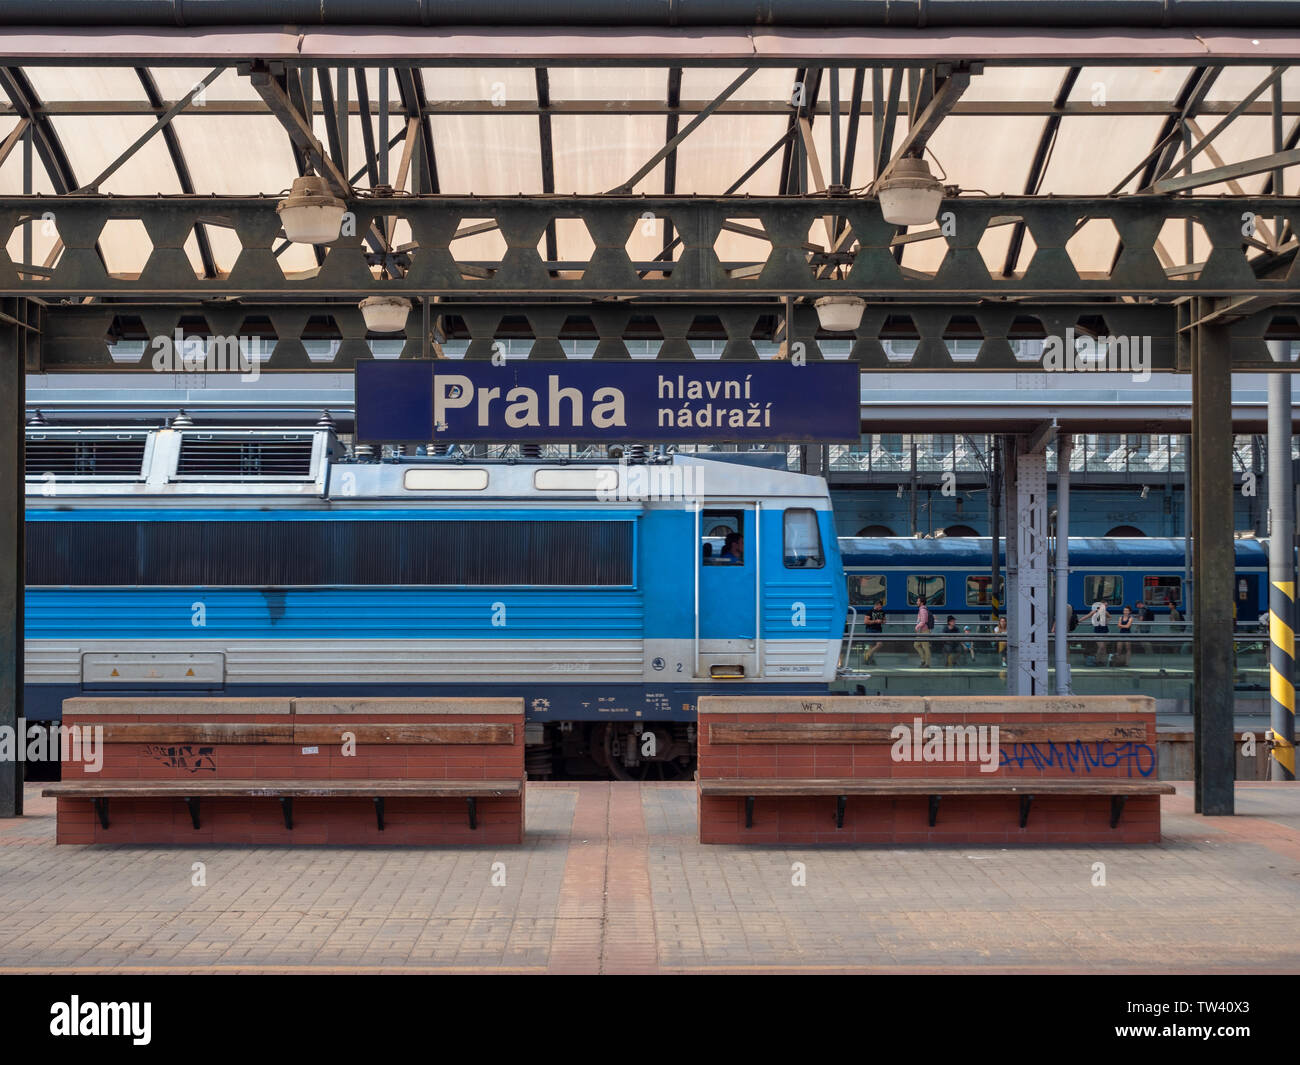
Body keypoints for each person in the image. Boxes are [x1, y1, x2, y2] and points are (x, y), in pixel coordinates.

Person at [1082, 598, 1110, 664]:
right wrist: (1079, 621)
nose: (1105, 607)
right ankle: (1097, 660)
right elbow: (1087, 616)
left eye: (1106, 606)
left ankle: (1102, 661)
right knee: (1101, 647)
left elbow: (1109, 617)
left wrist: (1107, 621)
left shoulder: (1105, 612)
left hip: (1105, 631)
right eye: (1104, 605)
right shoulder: (1095, 611)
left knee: (1104, 648)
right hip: (1097, 632)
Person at [862, 599, 886, 665]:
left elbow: (884, 620)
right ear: (876, 605)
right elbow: (866, 621)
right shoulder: (870, 611)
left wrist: (882, 621)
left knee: (879, 644)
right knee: (871, 646)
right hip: (870, 629)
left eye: (881, 607)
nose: (881, 608)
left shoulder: (882, 612)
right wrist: (875, 621)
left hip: (878, 630)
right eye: (880, 606)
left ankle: (867, 655)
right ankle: (869, 660)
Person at [913, 596, 932, 668]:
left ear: (922, 602)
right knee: (916, 645)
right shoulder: (921, 609)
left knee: (925, 647)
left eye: (918, 601)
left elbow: (923, 621)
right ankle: (923, 660)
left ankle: (927, 663)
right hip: (921, 631)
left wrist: (917, 626)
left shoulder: (923, 610)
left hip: (924, 631)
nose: (916, 602)